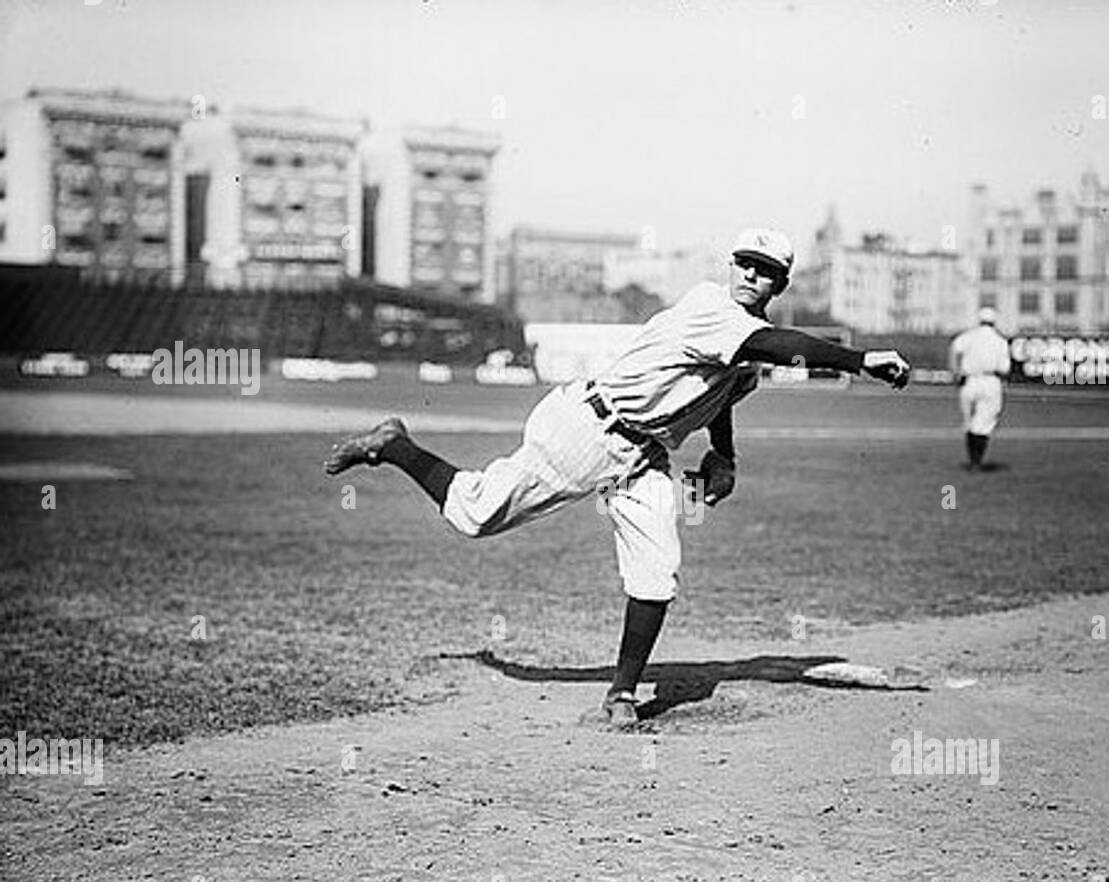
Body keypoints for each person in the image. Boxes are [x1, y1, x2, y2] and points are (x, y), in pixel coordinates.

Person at [324, 228, 911, 730]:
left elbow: (724, 390)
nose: (751, 277)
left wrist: (723, 457)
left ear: (779, 286)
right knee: (474, 515)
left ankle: (622, 692)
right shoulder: (710, 307)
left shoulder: (744, 346)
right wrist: (859, 361)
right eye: (745, 265)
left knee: (659, 570)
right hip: (587, 428)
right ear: (730, 266)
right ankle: (395, 445)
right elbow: (767, 344)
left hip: (643, 456)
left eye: (766, 273)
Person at [949, 306, 1011, 470]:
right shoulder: (1000, 341)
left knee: (969, 422)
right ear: (994, 321)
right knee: (984, 424)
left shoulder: (970, 336)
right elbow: (1005, 368)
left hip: (970, 380)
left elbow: (954, 349)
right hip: (990, 381)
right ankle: (977, 460)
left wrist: (955, 372)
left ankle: (972, 460)